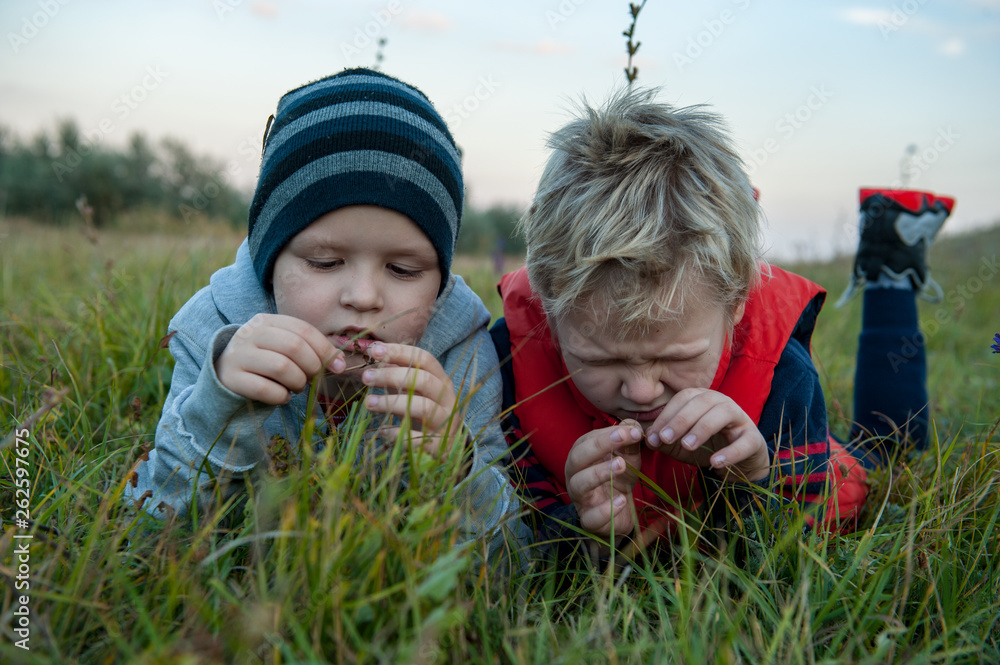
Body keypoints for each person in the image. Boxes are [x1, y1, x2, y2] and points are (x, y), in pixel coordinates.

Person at [490, 87, 953, 558]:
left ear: (735, 304)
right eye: (599, 360)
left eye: (676, 357)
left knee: (888, 452)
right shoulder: (509, 362)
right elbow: (517, 536)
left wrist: (751, 480)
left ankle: (891, 268)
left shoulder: (779, 371)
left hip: (822, 475)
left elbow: (798, 550)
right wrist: (586, 532)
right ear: (550, 310)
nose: (642, 391)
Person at [124, 68, 531, 560]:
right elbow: (148, 541)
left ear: (440, 279)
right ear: (269, 258)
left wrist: (459, 471)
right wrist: (219, 407)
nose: (363, 296)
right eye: (325, 262)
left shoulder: (460, 354)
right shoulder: (213, 331)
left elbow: (509, 571)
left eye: (403, 269)